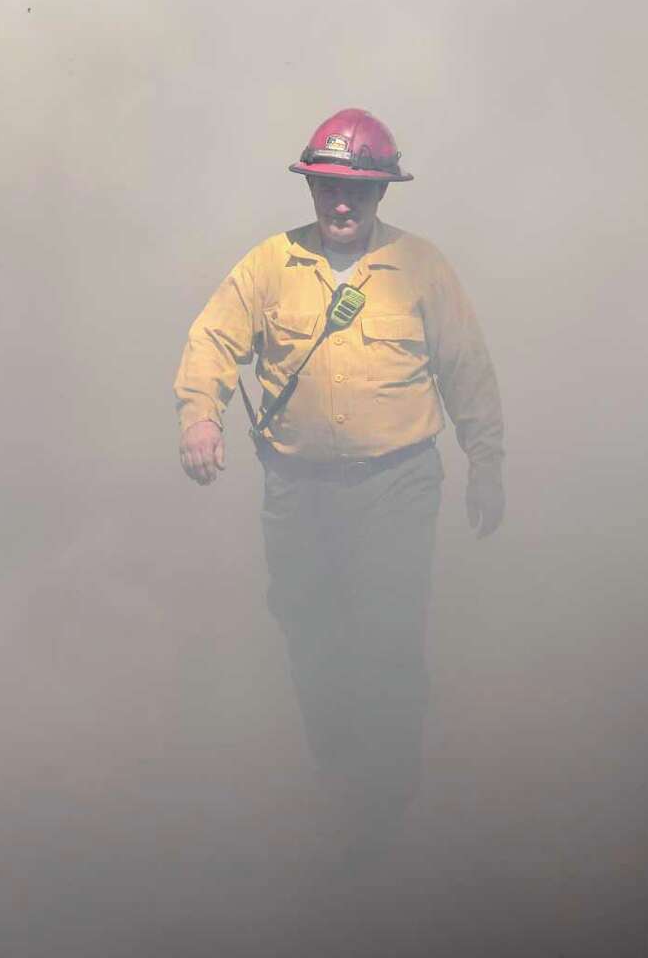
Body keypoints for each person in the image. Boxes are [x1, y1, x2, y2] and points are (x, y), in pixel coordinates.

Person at [174, 107, 505, 858]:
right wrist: (200, 417)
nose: (342, 204)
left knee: (386, 634)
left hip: (397, 483)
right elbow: (212, 341)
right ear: (312, 189)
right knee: (308, 626)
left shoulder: (422, 269)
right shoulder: (268, 266)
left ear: (385, 191)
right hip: (299, 489)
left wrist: (487, 461)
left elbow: (468, 369)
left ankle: (384, 802)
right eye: (328, 188)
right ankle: (338, 771)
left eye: (359, 190)